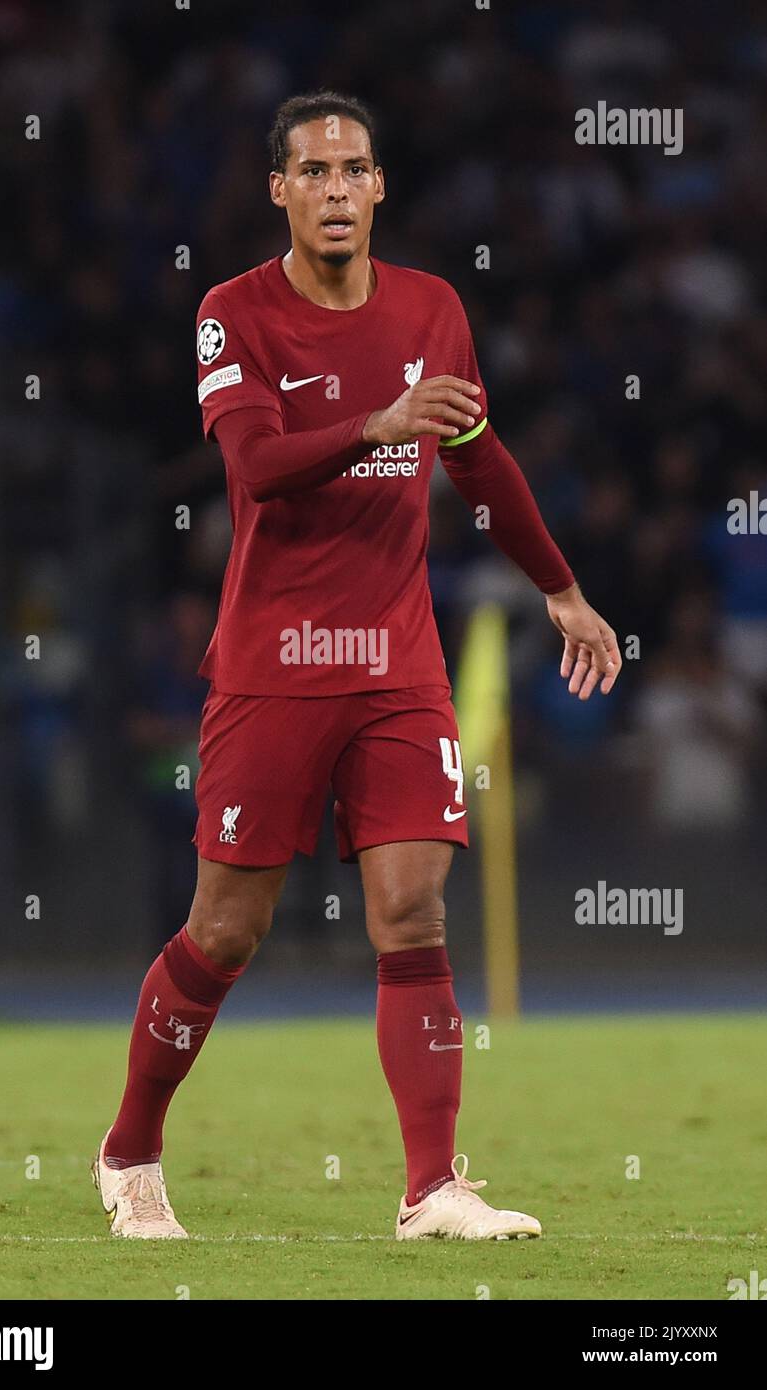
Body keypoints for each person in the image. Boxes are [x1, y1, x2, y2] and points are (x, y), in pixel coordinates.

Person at [92, 90, 621, 1240]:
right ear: (277, 190)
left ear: (380, 187)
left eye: (355, 169)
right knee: (226, 928)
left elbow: (480, 464)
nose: (336, 189)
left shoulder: (433, 308)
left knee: (413, 910)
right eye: (313, 171)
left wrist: (562, 589)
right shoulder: (232, 312)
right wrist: (379, 425)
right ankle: (130, 1149)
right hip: (273, 663)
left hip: (396, 663)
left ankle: (432, 1186)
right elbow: (257, 467)